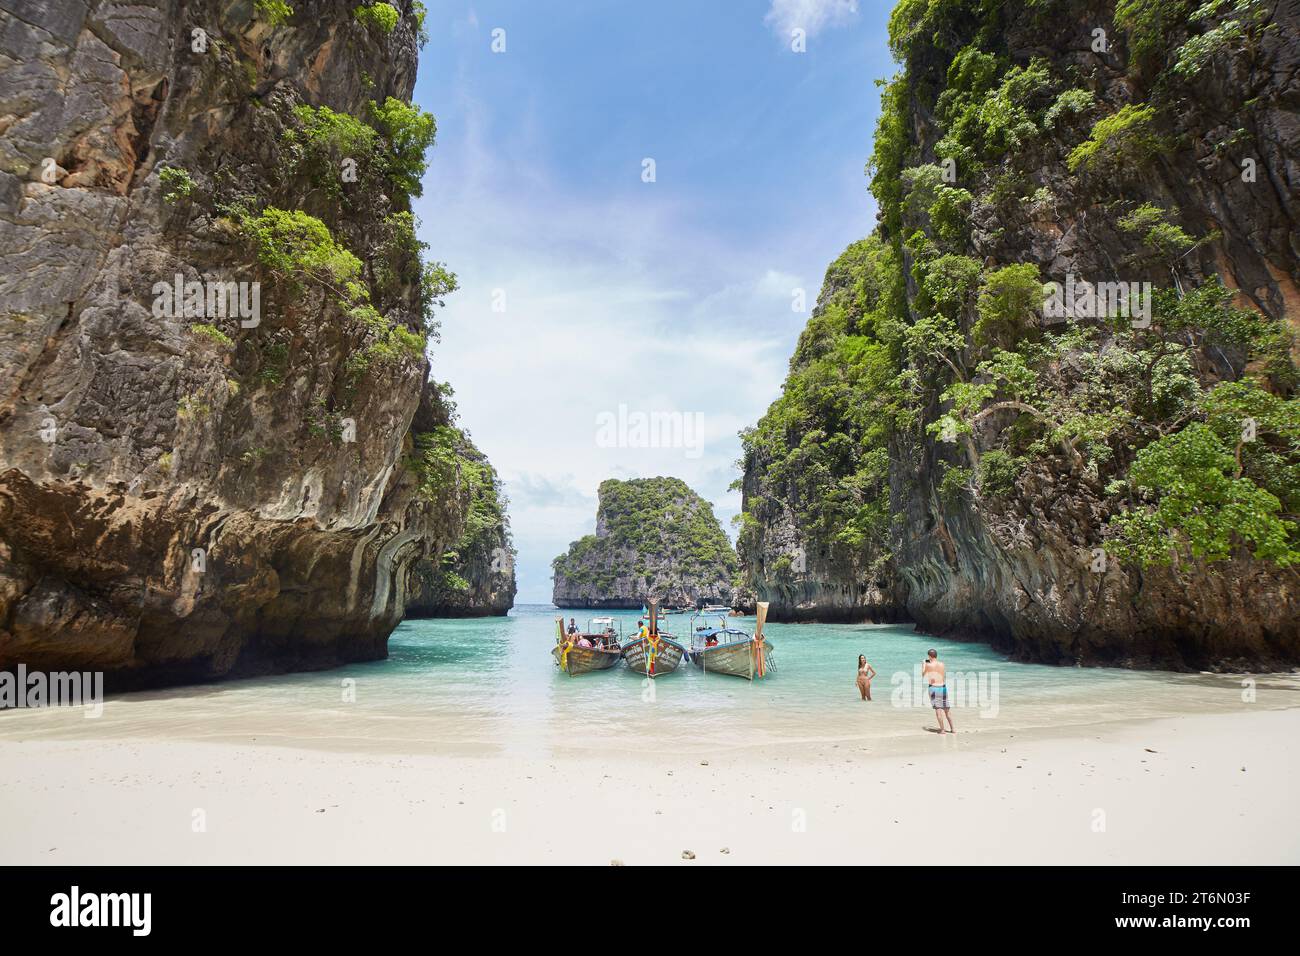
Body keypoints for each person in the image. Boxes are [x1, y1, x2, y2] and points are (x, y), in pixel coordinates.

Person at [923, 648, 954, 733]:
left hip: (934, 688)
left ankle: (942, 730)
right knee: (947, 710)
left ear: (929, 656)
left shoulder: (928, 665)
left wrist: (924, 664)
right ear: (936, 655)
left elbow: (923, 674)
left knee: (938, 710)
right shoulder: (942, 664)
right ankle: (953, 729)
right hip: (943, 687)